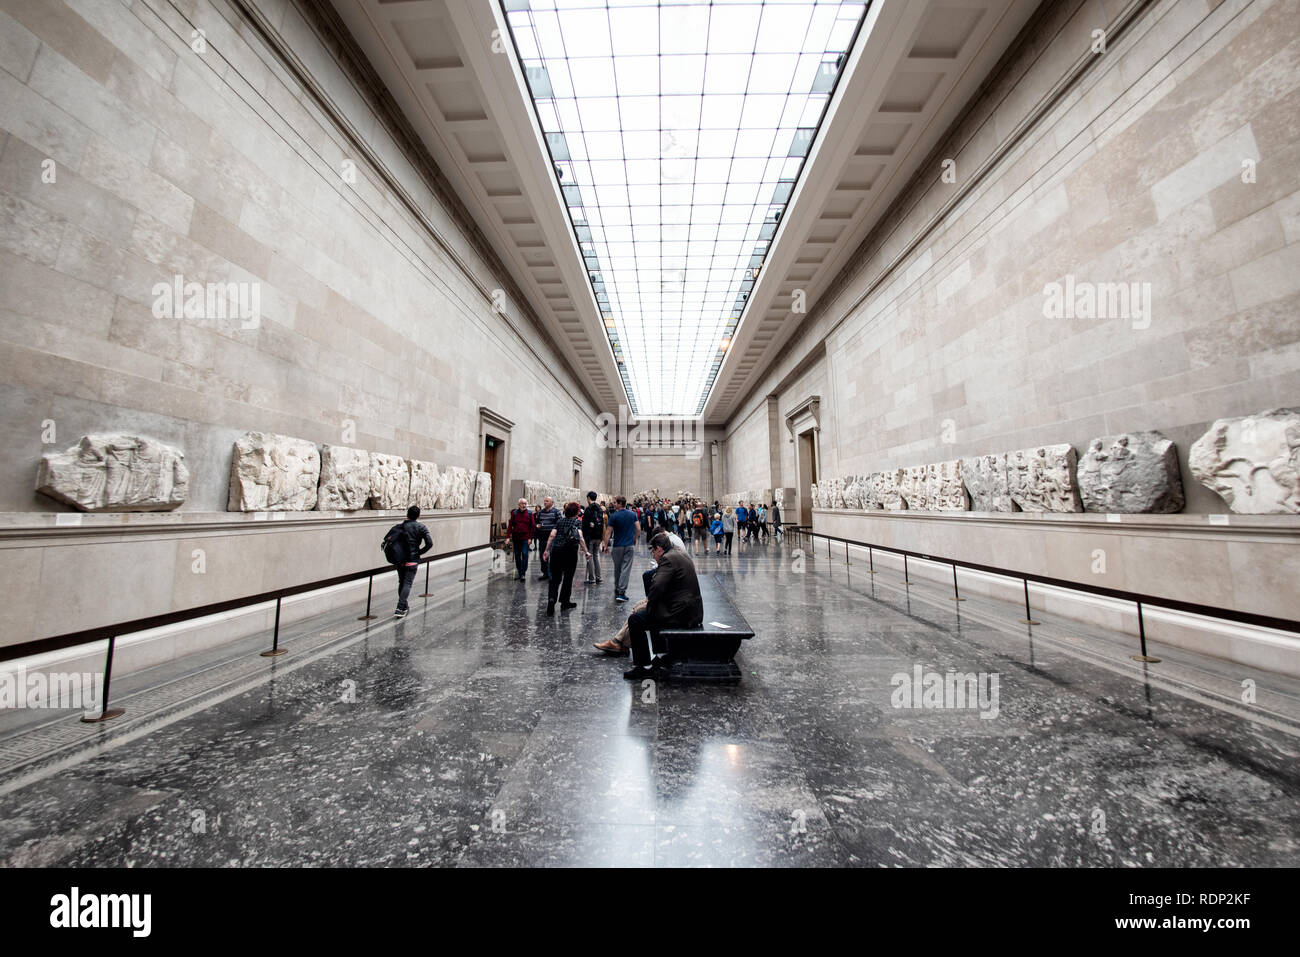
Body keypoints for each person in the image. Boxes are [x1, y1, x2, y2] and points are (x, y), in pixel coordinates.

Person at [623, 532, 703, 680]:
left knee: (636, 619)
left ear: (659, 549)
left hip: (681, 613)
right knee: (652, 614)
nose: (653, 555)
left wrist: (649, 605)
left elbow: (657, 587)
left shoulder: (667, 559)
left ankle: (642, 665)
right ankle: (660, 656)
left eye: (653, 551)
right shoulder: (679, 553)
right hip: (691, 610)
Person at [542, 501, 589, 615]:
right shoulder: (576, 522)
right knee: (568, 577)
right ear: (577, 512)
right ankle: (564, 601)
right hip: (570, 552)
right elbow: (580, 537)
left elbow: (552, 535)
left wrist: (547, 550)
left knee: (555, 578)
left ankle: (551, 600)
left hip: (557, 551)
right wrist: (586, 551)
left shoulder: (559, 521)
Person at [390, 505, 432, 618]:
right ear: (418, 516)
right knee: (407, 583)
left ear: (407, 514)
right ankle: (400, 607)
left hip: (400, 560)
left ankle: (404, 607)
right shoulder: (421, 527)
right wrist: (419, 552)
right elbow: (430, 543)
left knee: (402, 583)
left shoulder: (399, 527)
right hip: (412, 560)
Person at [607, 495, 639, 603]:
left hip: (617, 546)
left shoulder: (614, 516)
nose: (614, 504)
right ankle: (621, 592)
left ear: (620, 503)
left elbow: (608, 532)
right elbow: (638, 528)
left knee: (617, 568)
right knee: (626, 568)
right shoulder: (633, 514)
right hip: (629, 545)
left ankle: (618, 588)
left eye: (615, 502)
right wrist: (634, 538)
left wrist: (605, 545)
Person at [506, 497, 536, 580]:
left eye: (525, 504)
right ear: (519, 504)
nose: (524, 505)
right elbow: (510, 525)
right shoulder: (514, 513)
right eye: (522, 504)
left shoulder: (529, 513)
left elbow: (532, 527)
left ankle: (523, 573)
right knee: (517, 555)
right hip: (516, 538)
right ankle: (519, 572)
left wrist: (530, 538)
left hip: (525, 538)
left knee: (525, 554)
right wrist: (508, 537)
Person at [582, 491, 606, 584]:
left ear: (588, 498)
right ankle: (599, 577)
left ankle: (591, 578)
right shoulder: (600, 508)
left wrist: (584, 537)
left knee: (590, 556)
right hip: (598, 536)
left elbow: (585, 524)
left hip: (590, 536)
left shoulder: (588, 509)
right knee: (596, 555)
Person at [535, 496, 560, 580]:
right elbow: (537, 522)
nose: (545, 502)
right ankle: (545, 573)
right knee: (543, 556)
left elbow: (559, 523)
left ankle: (552, 574)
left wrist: (552, 528)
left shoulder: (556, 512)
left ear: (552, 503)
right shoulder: (541, 512)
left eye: (547, 501)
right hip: (542, 537)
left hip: (552, 538)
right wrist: (538, 526)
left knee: (552, 556)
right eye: (544, 501)